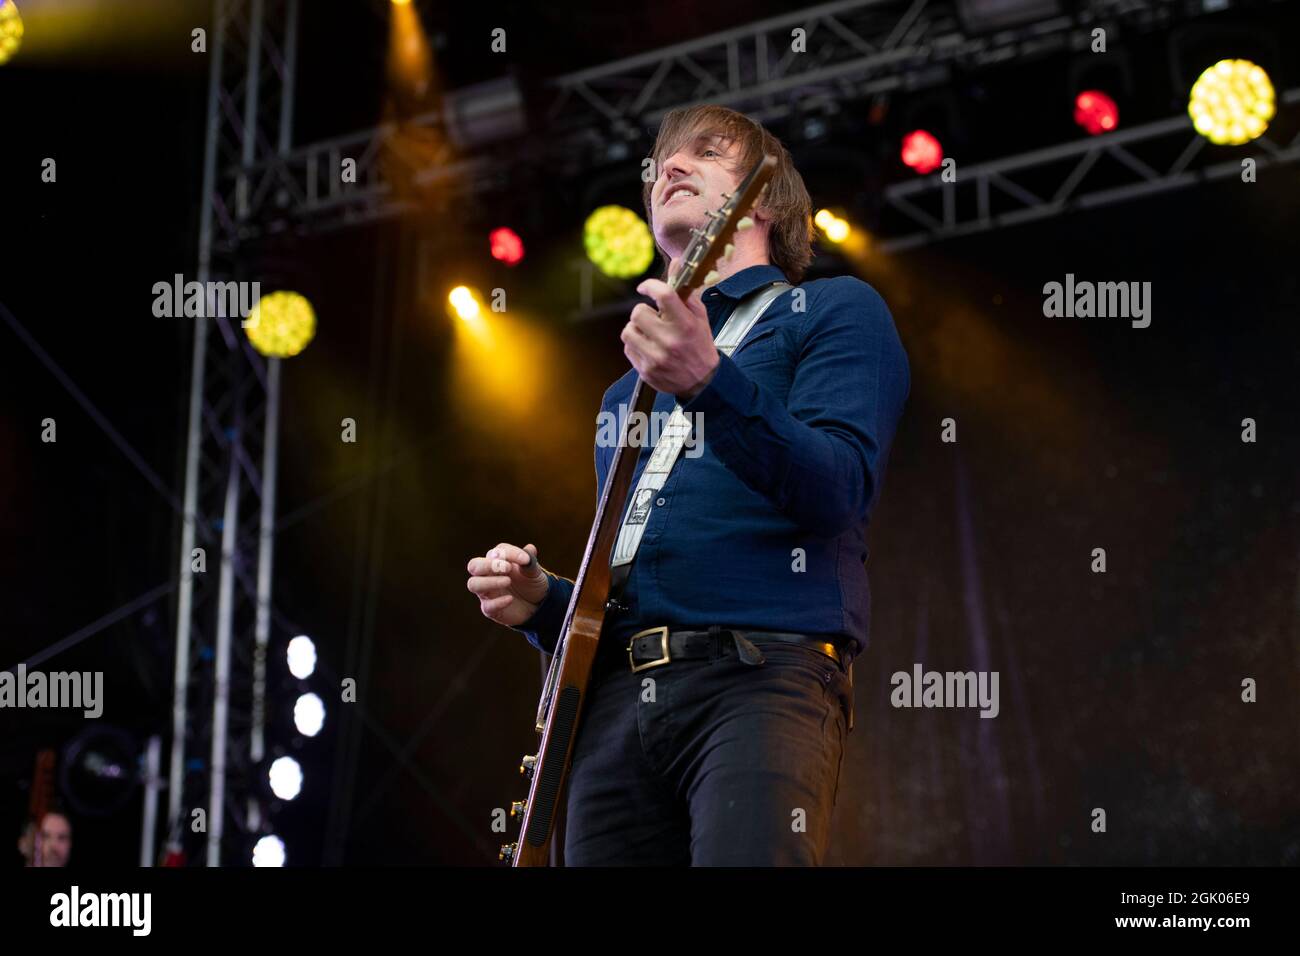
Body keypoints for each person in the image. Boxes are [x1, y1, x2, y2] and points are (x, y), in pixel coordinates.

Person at [466, 104, 910, 865]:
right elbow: (643, 579)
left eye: (704, 153)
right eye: (660, 160)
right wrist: (548, 603)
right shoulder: (621, 396)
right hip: (613, 709)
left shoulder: (832, 310)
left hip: (760, 677)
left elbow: (837, 490)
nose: (667, 167)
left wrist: (709, 381)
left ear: (763, 199)